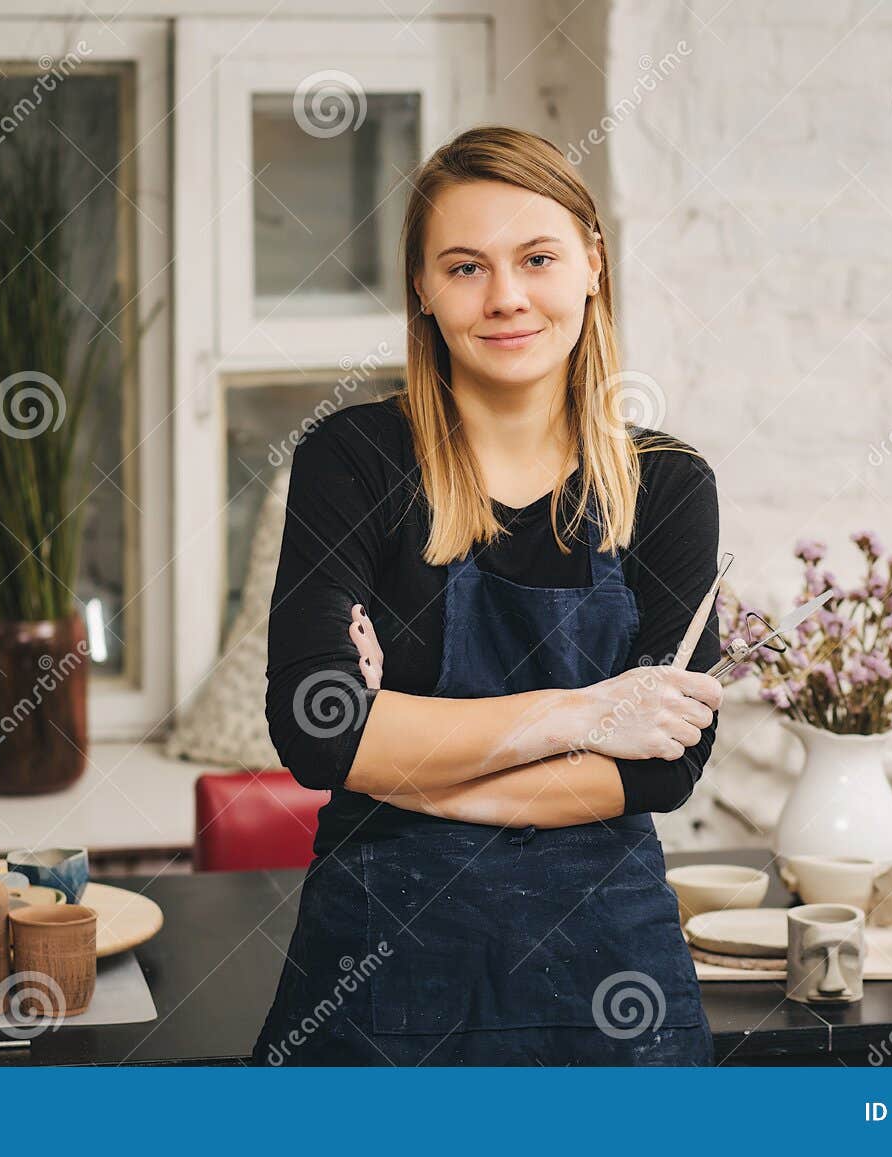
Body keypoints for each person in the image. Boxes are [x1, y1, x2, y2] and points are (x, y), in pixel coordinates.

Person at [254, 125, 724, 1066]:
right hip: (380, 977)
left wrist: (405, 759)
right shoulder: (355, 460)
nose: (506, 296)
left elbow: (662, 770)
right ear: (423, 290)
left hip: (610, 990)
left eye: (537, 258)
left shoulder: (668, 485)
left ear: (593, 263)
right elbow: (317, 731)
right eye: (465, 267)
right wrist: (587, 713)